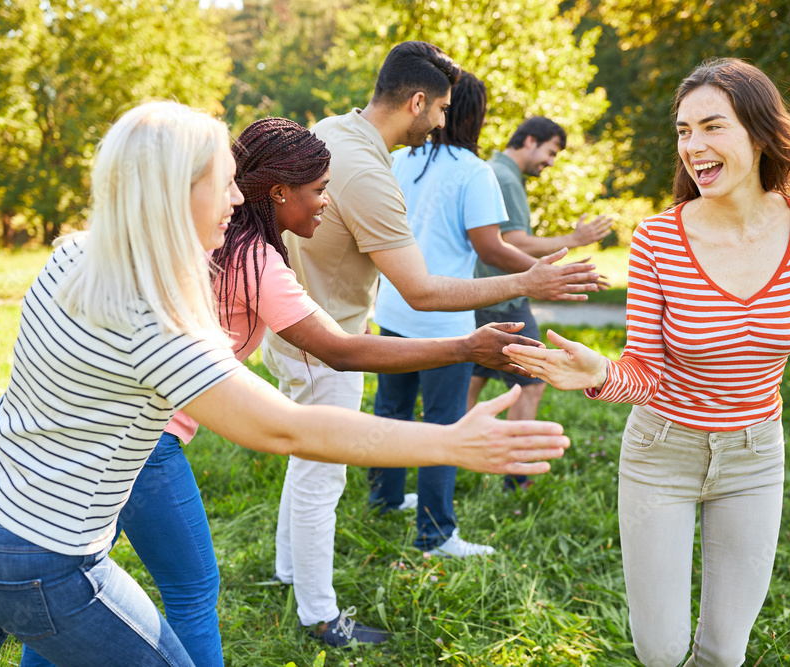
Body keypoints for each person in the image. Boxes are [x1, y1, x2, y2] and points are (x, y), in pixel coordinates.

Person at [0, 101, 572, 667]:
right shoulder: (160, 321)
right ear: (174, 192)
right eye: (224, 183)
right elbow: (285, 426)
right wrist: (448, 443)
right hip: (40, 556)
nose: (235, 196)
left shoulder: (74, 252)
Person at [503, 58, 790, 667]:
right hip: (662, 452)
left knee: (723, 653)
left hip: (755, 456)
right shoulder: (659, 238)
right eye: (684, 131)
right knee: (659, 652)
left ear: (760, 133)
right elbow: (647, 372)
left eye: (713, 127)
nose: (694, 146)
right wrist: (602, 375)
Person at [263, 41, 605, 648]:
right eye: (442, 108)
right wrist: (528, 279)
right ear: (417, 101)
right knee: (323, 479)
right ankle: (319, 615)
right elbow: (420, 291)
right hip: (328, 341)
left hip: (294, 326)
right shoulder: (369, 171)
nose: (446, 121)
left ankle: (287, 570)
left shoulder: (331, 131)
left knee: (305, 458)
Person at [368, 72, 610, 557]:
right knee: (444, 423)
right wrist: (545, 275)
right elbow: (492, 248)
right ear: (472, 114)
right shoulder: (472, 170)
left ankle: (385, 498)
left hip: (393, 308)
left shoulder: (396, 159)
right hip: (444, 318)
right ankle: (436, 536)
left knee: (392, 408)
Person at [466, 115, 614, 492]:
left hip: (482, 291)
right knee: (531, 383)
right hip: (504, 298)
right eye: (550, 152)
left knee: (473, 377)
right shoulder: (506, 177)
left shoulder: (493, 170)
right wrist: (575, 239)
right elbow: (514, 241)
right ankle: (515, 476)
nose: (550, 163)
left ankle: (456, 459)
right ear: (530, 141)